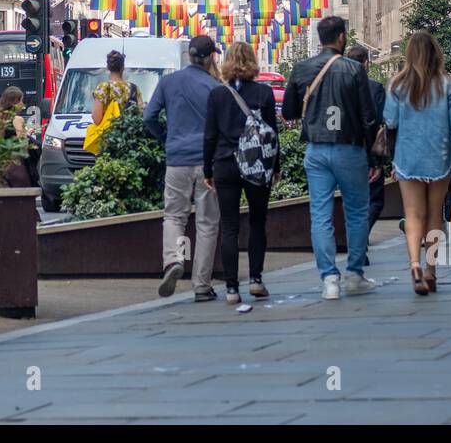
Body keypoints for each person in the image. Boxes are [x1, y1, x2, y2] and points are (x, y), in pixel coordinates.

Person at [282, 16, 380, 300]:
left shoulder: (302, 69)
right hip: (350, 148)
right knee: (357, 212)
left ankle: (329, 279)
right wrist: (374, 158)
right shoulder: (353, 69)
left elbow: (288, 111)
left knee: (321, 215)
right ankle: (354, 273)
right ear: (340, 37)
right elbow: (368, 117)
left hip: (316, 148)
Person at [382, 32, 451, 296]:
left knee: (413, 215)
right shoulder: (448, 85)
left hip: (408, 158)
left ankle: (414, 265)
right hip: (439, 158)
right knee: (435, 215)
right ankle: (431, 269)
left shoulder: (397, 85)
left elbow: (390, 121)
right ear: (436, 54)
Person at [145, 35, 222, 301]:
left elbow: (149, 116)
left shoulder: (168, 82)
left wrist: (166, 137)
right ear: (211, 56)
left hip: (176, 157)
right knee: (207, 222)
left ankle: (175, 260)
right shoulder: (214, 86)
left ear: (189, 56)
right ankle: (201, 285)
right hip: (206, 161)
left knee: (174, 216)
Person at [203, 42, 280, 304]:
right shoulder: (264, 93)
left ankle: (233, 289)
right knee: (258, 222)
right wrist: (275, 167)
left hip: (225, 163)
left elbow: (210, 136)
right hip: (256, 164)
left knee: (229, 226)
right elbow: (272, 135)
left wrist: (207, 169)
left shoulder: (217, 95)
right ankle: (256, 280)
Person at [345, 44, 388, 259]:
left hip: (345, 151)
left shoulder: (340, 87)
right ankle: (360, 238)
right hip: (368, 151)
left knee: (353, 201)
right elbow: (379, 123)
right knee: (375, 200)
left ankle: (357, 239)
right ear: (365, 63)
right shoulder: (375, 88)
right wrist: (377, 161)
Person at [0, 87, 36, 188]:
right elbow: (22, 144)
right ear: (15, 102)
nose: (22, 104)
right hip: (16, 165)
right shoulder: (17, 120)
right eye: (21, 101)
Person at [92, 50, 139, 126]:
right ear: (123, 68)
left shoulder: (103, 88)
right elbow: (140, 114)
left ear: (108, 68)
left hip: (107, 135)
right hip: (129, 135)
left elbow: (96, 119)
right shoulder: (134, 88)